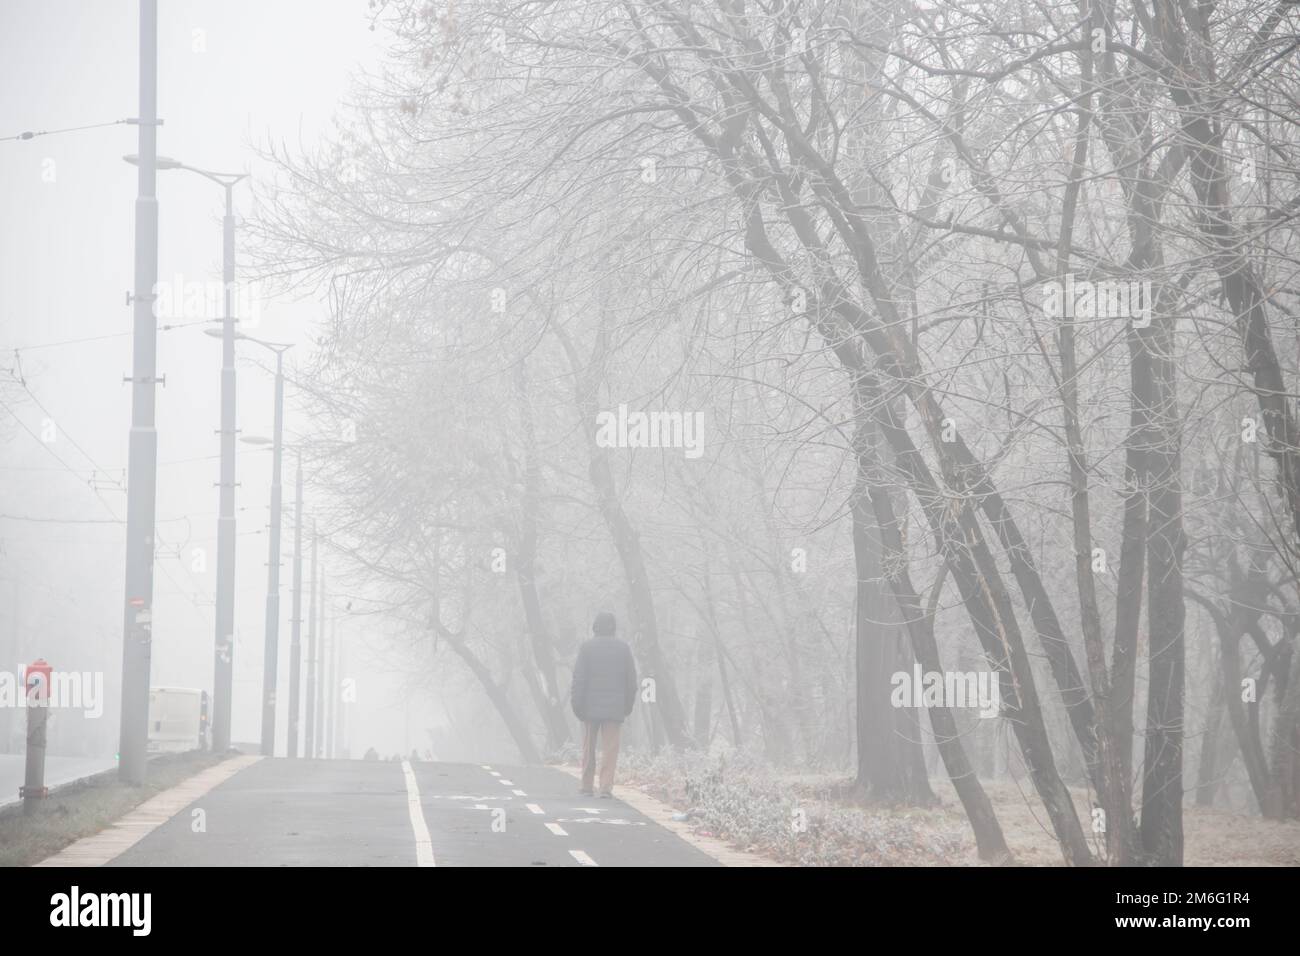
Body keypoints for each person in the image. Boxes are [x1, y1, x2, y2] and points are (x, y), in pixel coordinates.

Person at [570, 611, 637, 797]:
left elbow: (579, 678)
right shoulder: (623, 649)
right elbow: (631, 680)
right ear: (613, 627)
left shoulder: (587, 648)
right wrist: (627, 705)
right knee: (610, 749)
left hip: (589, 708)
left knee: (588, 748)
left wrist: (577, 704)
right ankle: (606, 786)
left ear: (595, 627)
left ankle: (586, 785)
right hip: (615, 708)